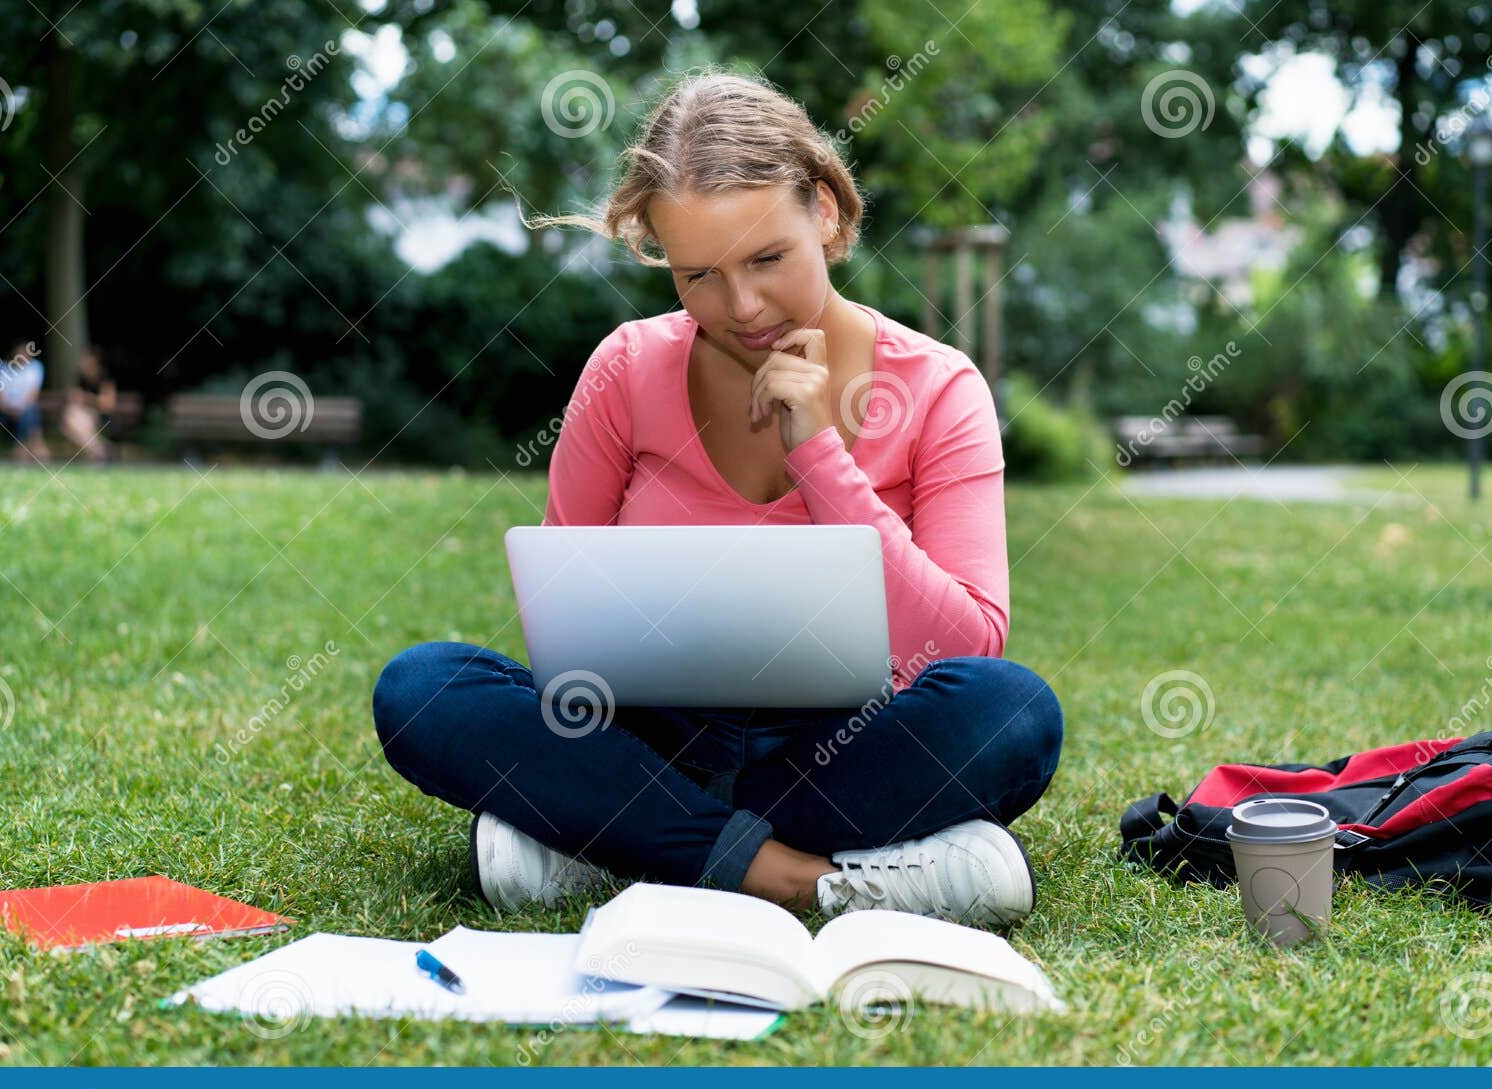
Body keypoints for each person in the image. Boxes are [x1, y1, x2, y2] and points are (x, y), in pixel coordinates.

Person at [372, 69, 1064, 926]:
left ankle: (616, 843)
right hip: (647, 739)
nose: (740, 307)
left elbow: (968, 645)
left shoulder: (938, 388)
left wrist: (818, 451)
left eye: (767, 259)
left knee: (1014, 714)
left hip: (840, 749)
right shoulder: (626, 369)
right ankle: (795, 876)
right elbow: (559, 622)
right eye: (698, 275)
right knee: (422, 688)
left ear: (825, 209)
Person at [0, 340, 51, 463]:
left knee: (29, 411)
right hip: (5, 413)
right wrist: (11, 409)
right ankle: (36, 443)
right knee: (30, 413)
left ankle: (20, 447)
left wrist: (20, 409)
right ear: (13, 353)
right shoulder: (1, 369)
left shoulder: (35, 367)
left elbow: (32, 396)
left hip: (25, 411)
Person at [59, 345, 116, 463]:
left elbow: (108, 404)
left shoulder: (104, 377)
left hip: (102, 417)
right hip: (82, 415)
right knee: (71, 416)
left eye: (85, 358)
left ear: (94, 360)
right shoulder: (80, 377)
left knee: (69, 423)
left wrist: (86, 398)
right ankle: (100, 449)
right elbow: (73, 397)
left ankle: (97, 451)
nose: (81, 361)